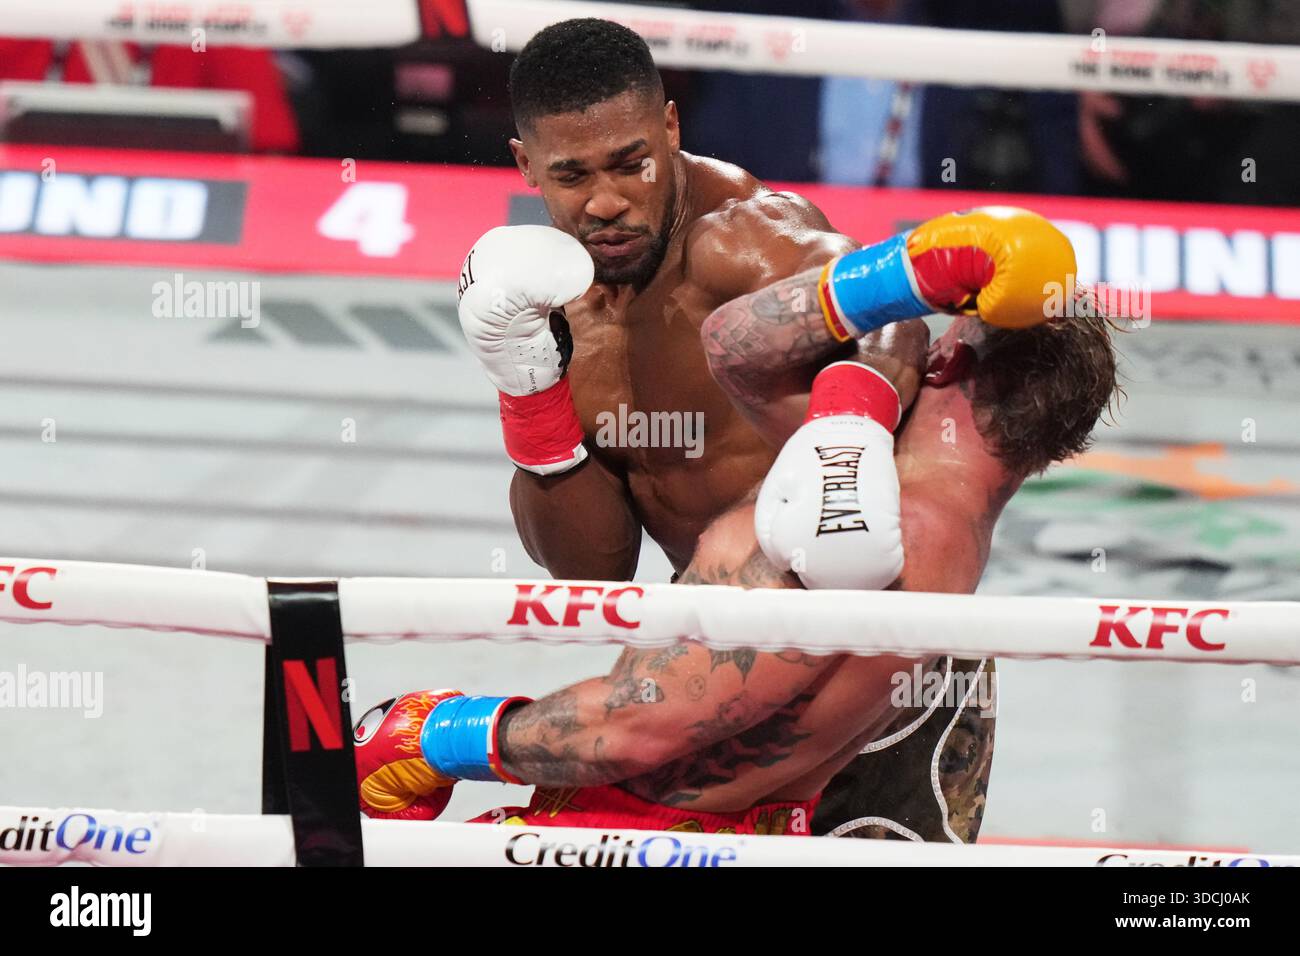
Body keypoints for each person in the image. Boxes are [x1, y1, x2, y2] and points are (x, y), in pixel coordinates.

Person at [351, 18, 1118, 838]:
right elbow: (591, 571)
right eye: (572, 175)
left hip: (880, 652)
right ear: (525, 166)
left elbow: (891, 322)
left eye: (631, 163)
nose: (606, 201)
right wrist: (528, 391)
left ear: (671, 130)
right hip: (718, 673)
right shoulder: (550, 302)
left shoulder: (747, 241)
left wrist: (846, 438)